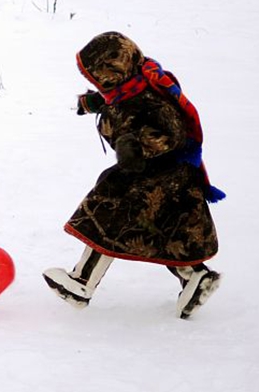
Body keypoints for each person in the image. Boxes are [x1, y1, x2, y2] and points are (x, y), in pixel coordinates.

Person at [43, 31, 224, 319]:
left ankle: (81, 284)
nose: (96, 83)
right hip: (152, 180)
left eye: (97, 77)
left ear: (114, 72)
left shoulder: (148, 100)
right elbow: (116, 104)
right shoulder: (128, 89)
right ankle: (195, 278)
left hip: (156, 179)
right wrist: (92, 103)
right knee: (159, 232)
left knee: (109, 222)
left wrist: (137, 146)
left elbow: (172, 132)